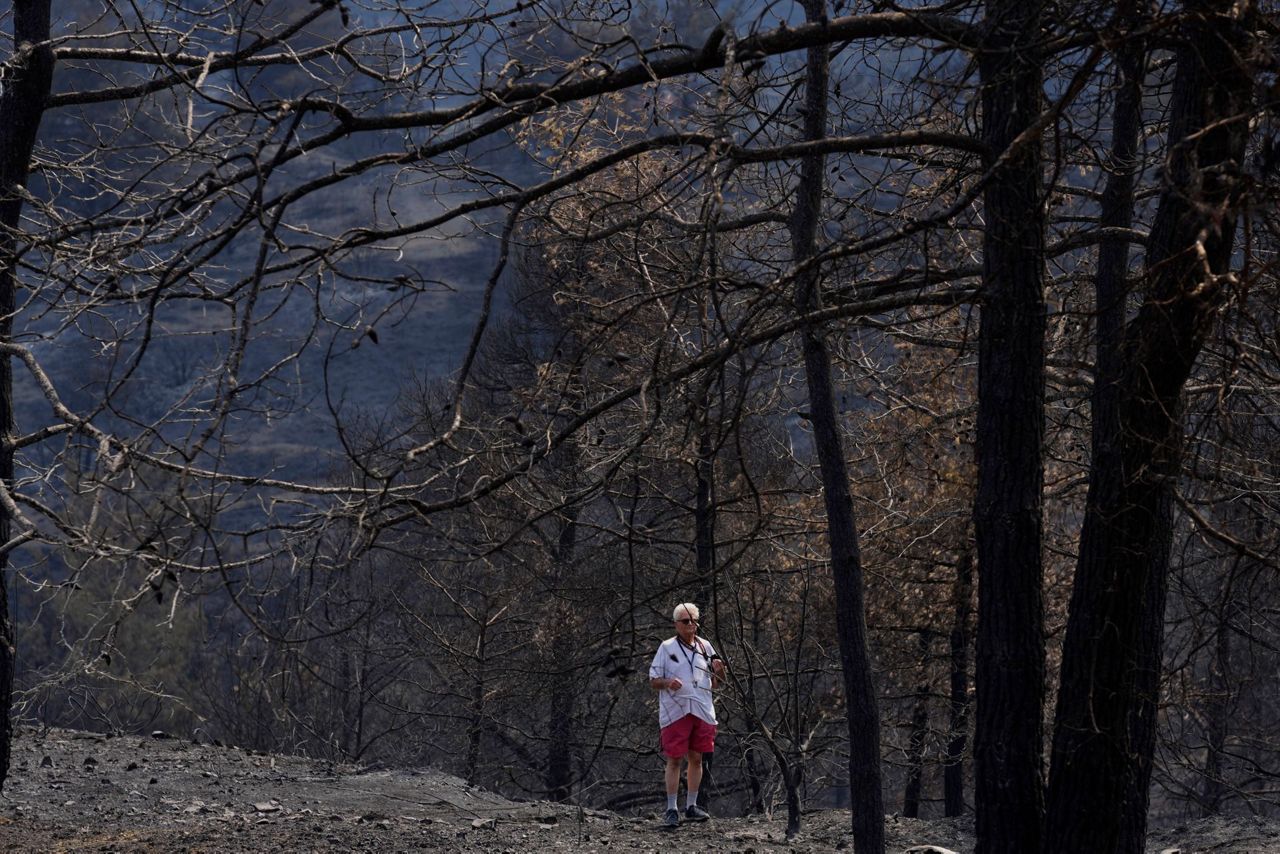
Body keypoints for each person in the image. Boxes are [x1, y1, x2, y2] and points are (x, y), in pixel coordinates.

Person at [649, 602, 725, 829]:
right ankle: (671, 808)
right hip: (676, 711)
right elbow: (653, 680)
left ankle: (691, 806)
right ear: (676, 624)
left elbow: (716, 683)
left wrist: (721, 671)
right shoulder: (667, 648)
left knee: (697, 758)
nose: (691, 624)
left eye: (694, 620)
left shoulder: (705, 646)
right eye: (685, 621)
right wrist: (668, 683)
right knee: (674, 759)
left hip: (702, 709)